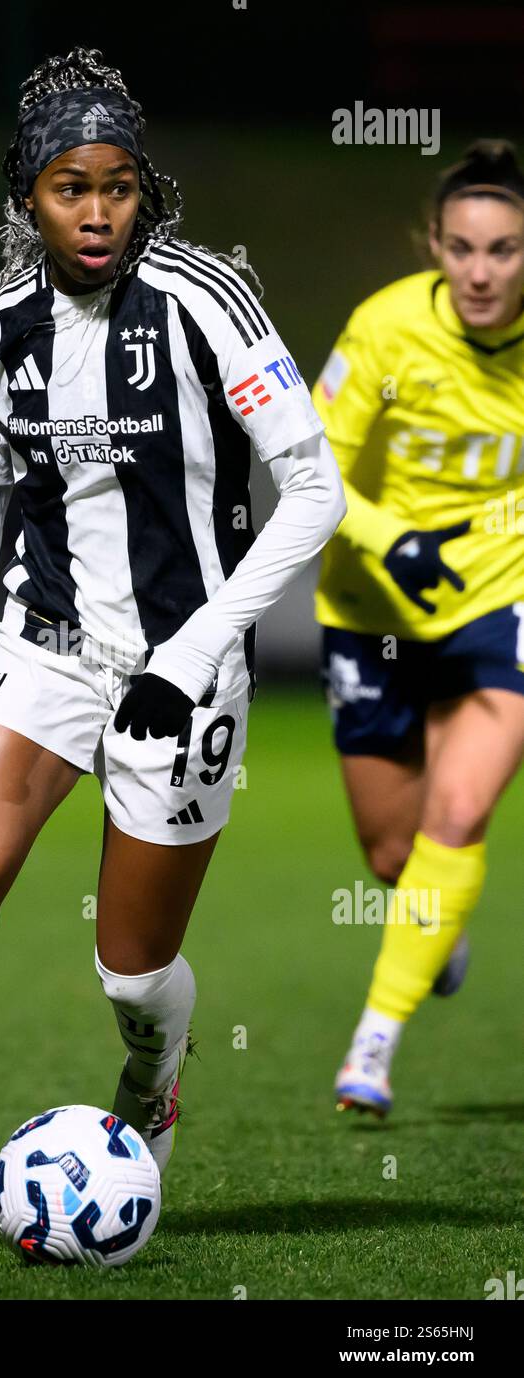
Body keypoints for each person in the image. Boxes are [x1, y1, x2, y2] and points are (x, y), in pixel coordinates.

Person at [0, 46, 344, 1256]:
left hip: (188, 668)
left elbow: (312, 490)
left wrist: (192, 652)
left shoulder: (207, 299)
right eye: (71, 186)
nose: (98, 209)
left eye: (118, 183)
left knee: (129, 975)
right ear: (27, 197)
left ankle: (155, 1066)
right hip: (45, 647)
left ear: (143, 189)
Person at [314, 140, 524, 1117]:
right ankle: (431, 924)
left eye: (504, 250)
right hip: (369, 609)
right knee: (395, 856)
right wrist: (388, 539)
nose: (481, 272)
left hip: (498, 603)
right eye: (462, 248)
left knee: (458, 815)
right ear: (431, 247)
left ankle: (372, 1043)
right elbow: (308, 468)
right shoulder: (382, 330)